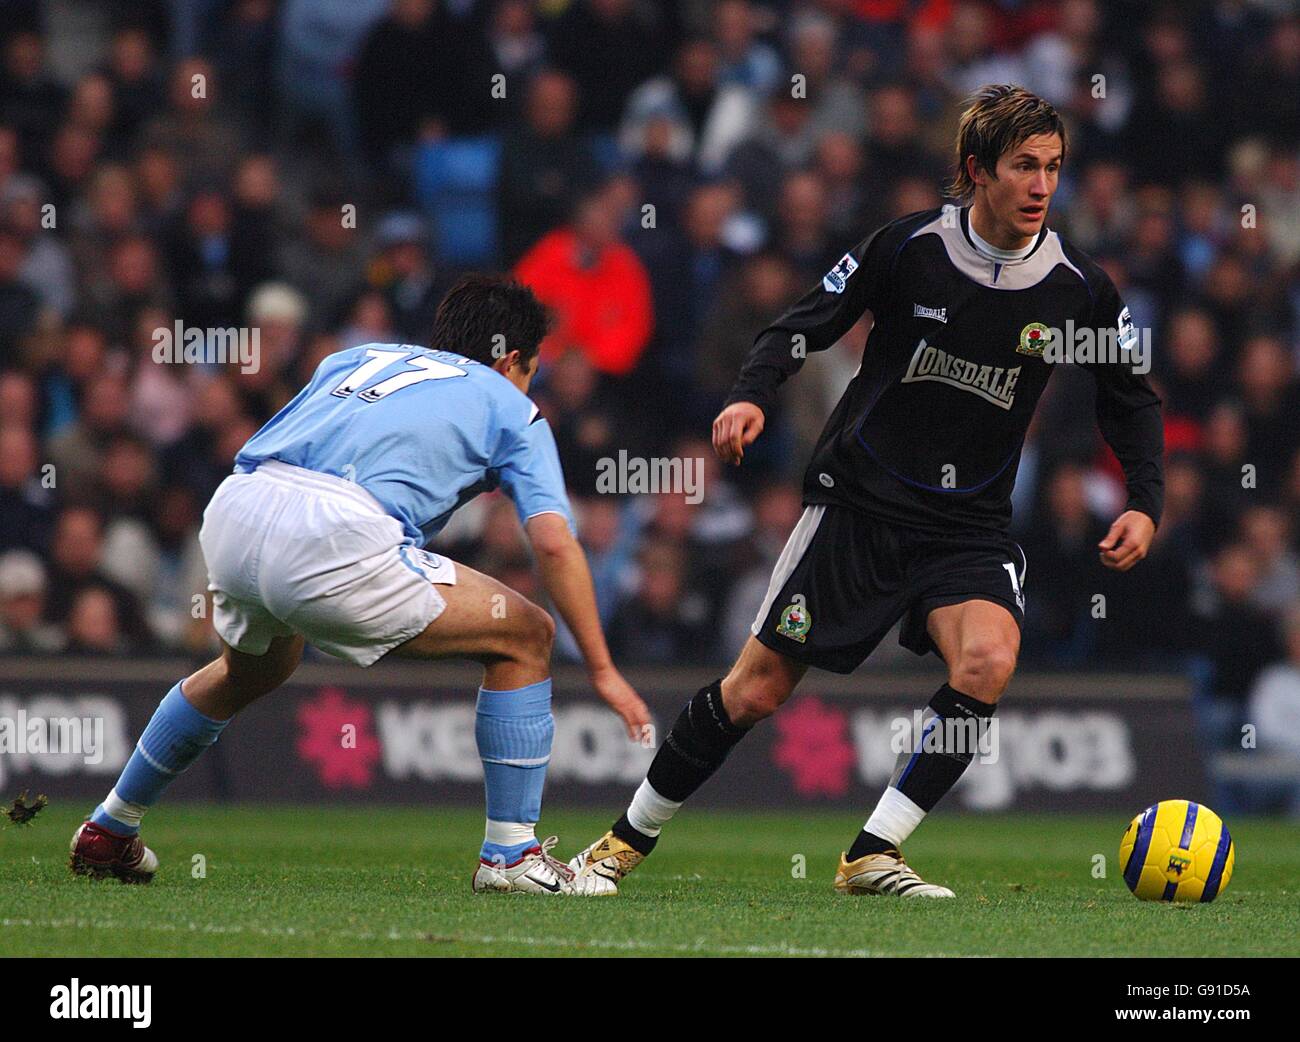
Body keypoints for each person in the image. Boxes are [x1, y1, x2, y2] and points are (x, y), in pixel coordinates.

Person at [570, 85, 1164, 898]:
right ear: (976, 170)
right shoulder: (908, 247)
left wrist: (1144, 498)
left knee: (988, 659)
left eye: (1053, 168)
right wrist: (752, 391)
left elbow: (1129, 394)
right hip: (861, 506)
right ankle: (622, 841)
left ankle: (872, 852)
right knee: (757, 690)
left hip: (969, 525)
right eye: (1024, 166)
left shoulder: (1076, 287)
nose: (1041, 186)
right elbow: (802, 322)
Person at [70, 275, 650, 895]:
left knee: (252, 670)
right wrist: (602, 667)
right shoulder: (514, 406)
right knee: (526, 633)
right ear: (511, 359)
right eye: (530, 370)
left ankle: (111, 826)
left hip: (239, 506)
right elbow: (556, 542)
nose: (529, 384)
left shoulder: (357, 357)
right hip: (336, 530)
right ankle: (510, 856)